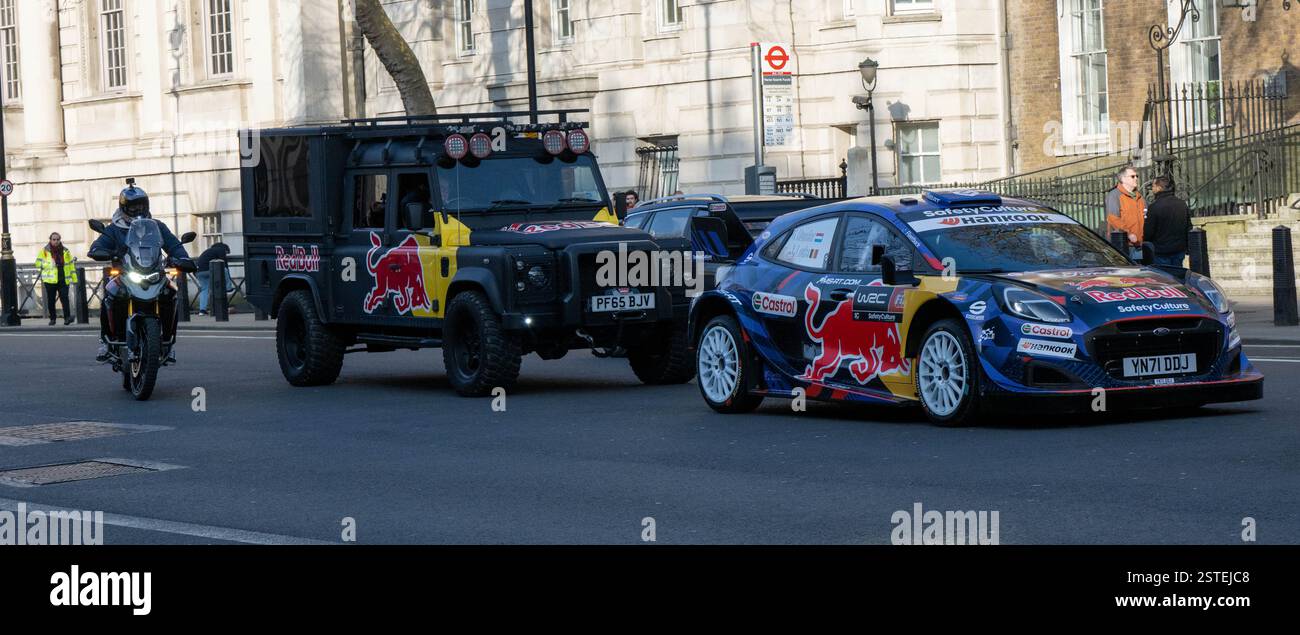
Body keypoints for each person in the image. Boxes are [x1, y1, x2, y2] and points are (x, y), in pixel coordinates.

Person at [88, 179, 193, 362]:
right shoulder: (114, 229)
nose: (137, 211)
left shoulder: (157, 226)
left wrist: (182, 258)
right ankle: (106, 341)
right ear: (123, 208)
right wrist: (101, 251)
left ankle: (168, 342)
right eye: (133, 207)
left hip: (154, 273)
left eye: (140, 206)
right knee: (110, 294)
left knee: (170, 293)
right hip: (125, 274)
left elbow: (173, 244)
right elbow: (98, 246)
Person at [1143, 175, 1193, 267]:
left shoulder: (1154, 207)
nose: (1152, 189)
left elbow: (1148, 232)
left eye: (1153, 186)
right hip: (1179, 249)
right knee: (1177, 276)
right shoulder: (1181, 204)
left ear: (1159, 188)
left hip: (1161, 251)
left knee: (1164, 278)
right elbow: (1188, 227)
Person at [34, 232, 77, 326]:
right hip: (50, 280)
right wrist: (49, 264)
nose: (56, 241)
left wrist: (74, 279)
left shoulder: (66, 251)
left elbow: (71, 265)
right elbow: (37, 263)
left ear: (60, 240)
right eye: (54, 239)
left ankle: (67, 318)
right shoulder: (44, 251)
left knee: (65, 299)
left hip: (63, 278)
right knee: (51, 300)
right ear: (50, 240)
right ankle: (52, 319)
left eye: (58, 239)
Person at [1105, 165, 1146, 259]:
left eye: (1137, 176)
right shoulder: (1114, 195)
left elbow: (1146, 216)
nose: (1136, 178)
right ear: (1123, 179)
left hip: (1139, 245)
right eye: (1132, 176)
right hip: (1123, 245)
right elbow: (1113, 219)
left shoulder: (1139, 197)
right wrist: (1129, 234)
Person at [193, 241, 232, 315]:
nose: (226, 254)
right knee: (224, 269)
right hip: (208, 270)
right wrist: (228, 278)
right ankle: (228, 287)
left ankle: (202, 310)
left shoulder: (209, 251)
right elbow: (224, 263)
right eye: (227, 253)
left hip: (198, 272)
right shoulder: (221, 250)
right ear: (225, 249)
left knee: (204, 289)